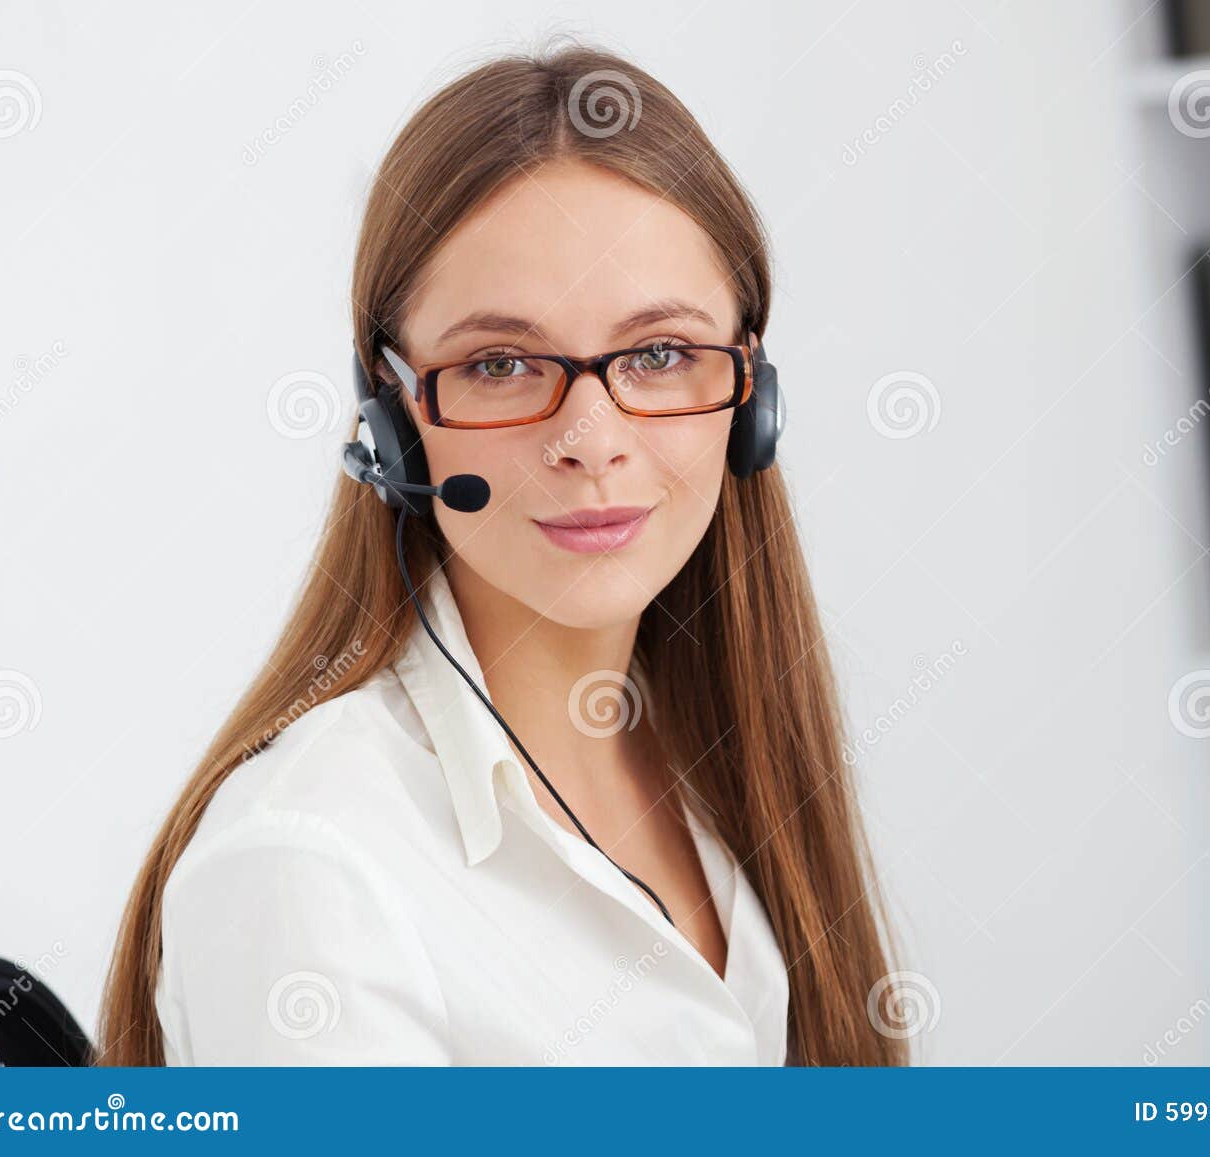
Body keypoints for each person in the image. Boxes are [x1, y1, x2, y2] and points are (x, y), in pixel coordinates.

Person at [96, 42, 905, 1066]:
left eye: (659, 354)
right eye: (501, 364)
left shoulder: (727, 762)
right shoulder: (312, 864)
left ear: (751, 395)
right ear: (393, 419)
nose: (591, 440)